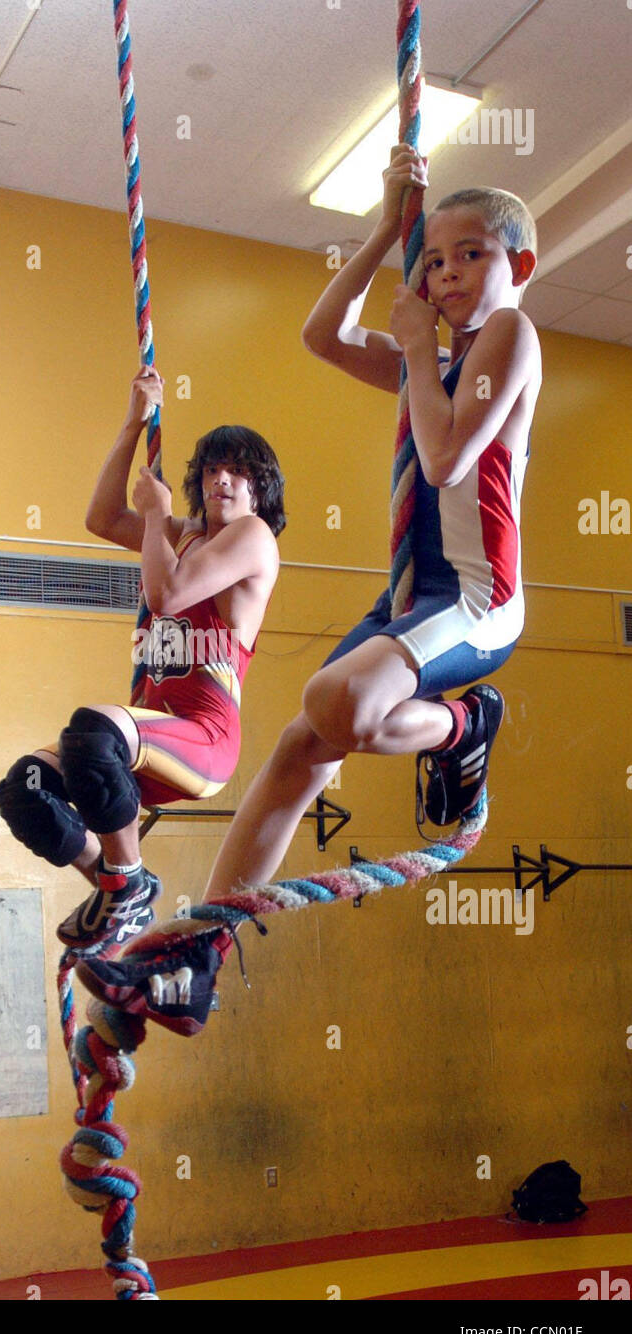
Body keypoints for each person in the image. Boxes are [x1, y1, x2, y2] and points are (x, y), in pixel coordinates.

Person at [78, 152, 541, 1033]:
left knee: (335, 697)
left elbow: (444, 460)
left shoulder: (507, 339)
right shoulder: (431, 358)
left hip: (479, 597)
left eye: (470, 255)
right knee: (301, 748)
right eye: (434, 258)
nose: (445, 274)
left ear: (516, 267)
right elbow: (320, 335)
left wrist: (412, 347)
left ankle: (464, 724)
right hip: (413, 600)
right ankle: (194, 958)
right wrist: (379, 230)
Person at [0, 366, 284, 955]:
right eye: (211, 469)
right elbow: (101, 519)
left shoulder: (253, 536)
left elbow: (167, 596)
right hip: (143, 742)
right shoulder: (181, 534)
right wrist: (133, 423)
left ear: (260, 489)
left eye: (237, 472)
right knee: (23, 789)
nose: (221, 481)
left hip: (202, 740)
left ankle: (124, 881)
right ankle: (117, 880)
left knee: (90, 731)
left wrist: (156, 517)